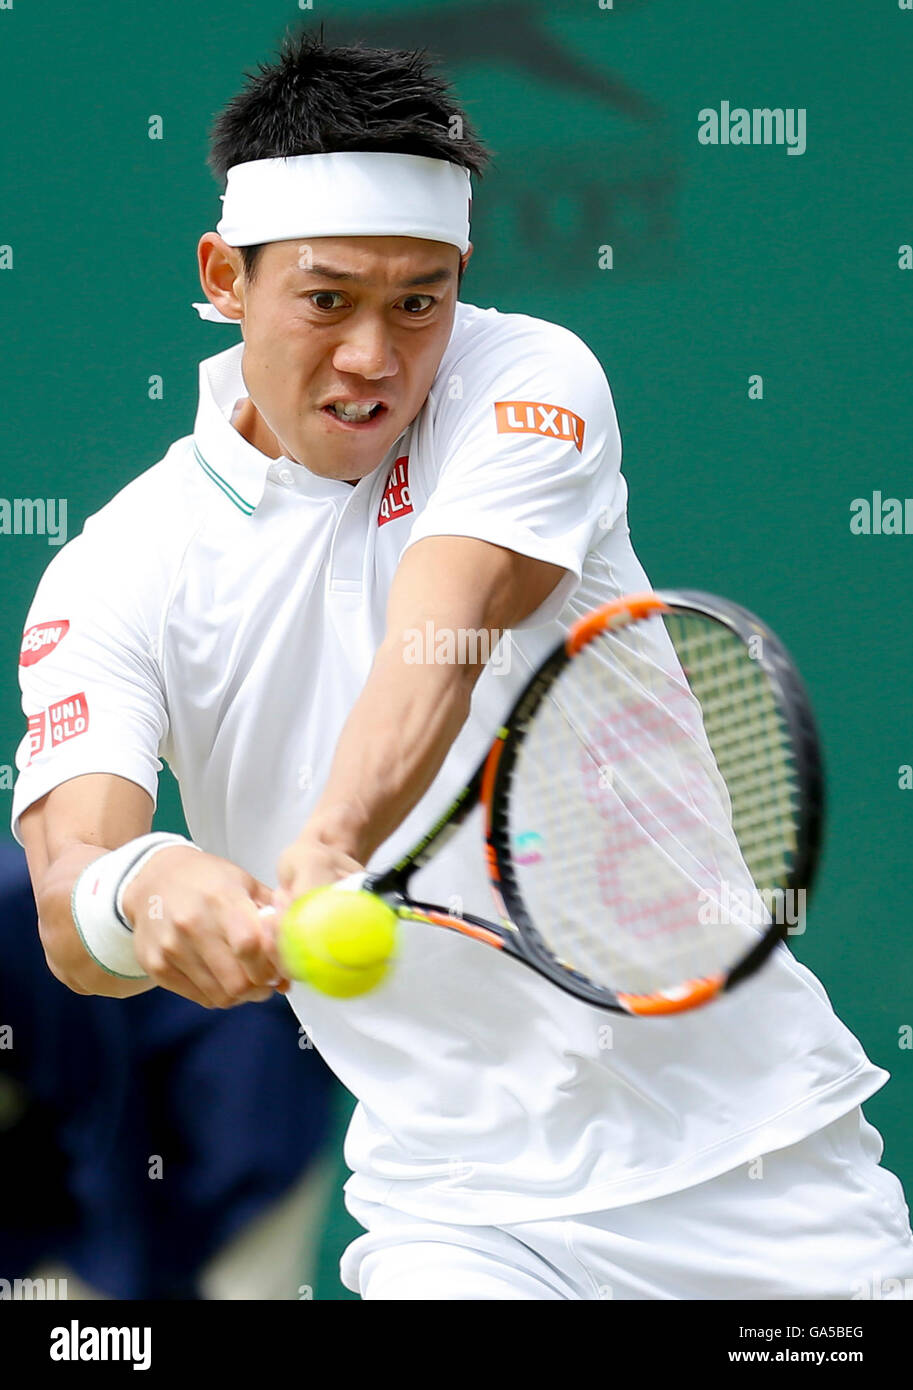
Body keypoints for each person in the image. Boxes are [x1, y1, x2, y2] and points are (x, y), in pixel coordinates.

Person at [13, 30, 913, 1301]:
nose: (375, 357)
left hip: (763, 1167)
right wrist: (145, 888)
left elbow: (444, 635)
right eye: (326, 299)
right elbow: (71, 904)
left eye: (417, 299)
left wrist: (328, 842)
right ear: (224, 275)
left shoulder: (525, 378)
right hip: (459, 1212)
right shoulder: (115, 569)